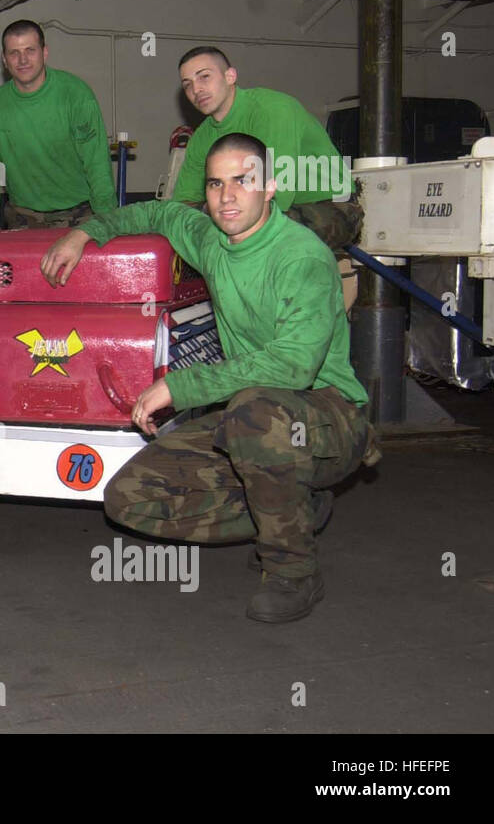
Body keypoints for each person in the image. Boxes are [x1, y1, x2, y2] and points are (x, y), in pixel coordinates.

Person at [40, 133, 378, 623]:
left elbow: (293, 366)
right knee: (128, 499)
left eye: (243, 181)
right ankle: (292, 509)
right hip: (254, 416)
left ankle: (292, 571)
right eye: (217, 183)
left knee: (255, 416)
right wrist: (85, 233)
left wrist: (181, 385)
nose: (227, 196)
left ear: (271, 187)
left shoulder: (301, 258)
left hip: (329, 415)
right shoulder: (211, 241)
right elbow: (156, 214)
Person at [172, 46, 362, 249]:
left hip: (333, 206)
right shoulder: (202, 137)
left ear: (230, 76)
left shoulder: (272, 111)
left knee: (254, 229)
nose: (196, 89)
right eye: (187, 85)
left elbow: (276, 199)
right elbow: (183, 203)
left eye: (204, 77)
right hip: (258, 211)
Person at [0, 20, 115, 231]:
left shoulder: (75, 94)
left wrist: (106, 218)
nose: (22, 60)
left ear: (44, 53)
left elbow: (96, 161)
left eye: (30, 50)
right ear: (4, 59)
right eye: (14, 53)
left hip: (80, 215)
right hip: (22, 216)